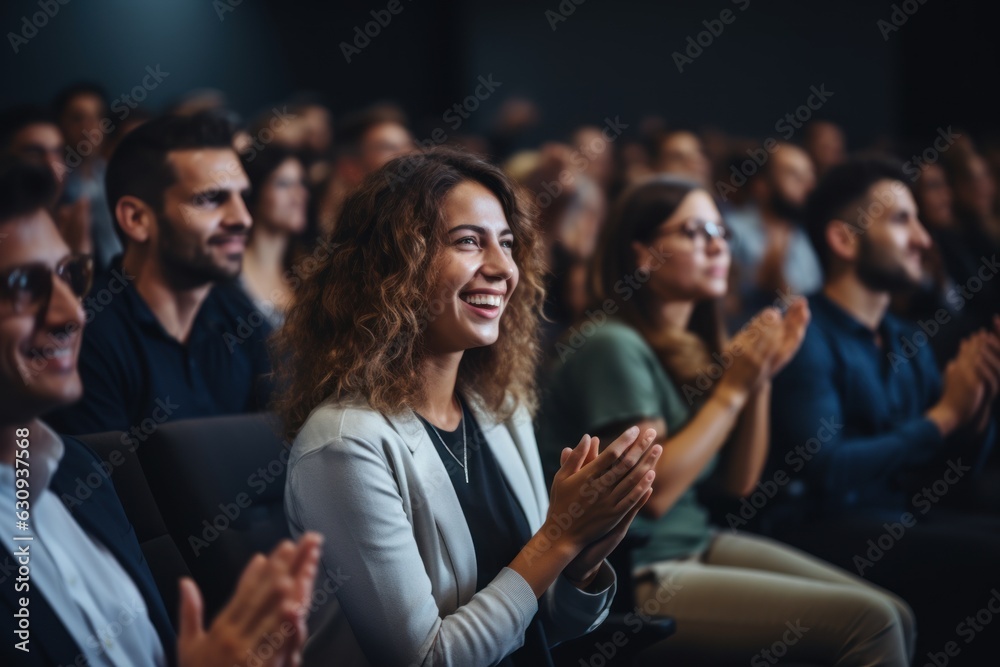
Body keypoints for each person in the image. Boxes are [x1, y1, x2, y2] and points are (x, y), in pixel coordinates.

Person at [275, 148, 662, 666]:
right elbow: (428, 659)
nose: (504, 268)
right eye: (467, 242)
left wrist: (582, 555)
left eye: (506, 243)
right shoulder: (344, 444)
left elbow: (550, 625)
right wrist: (558, 536)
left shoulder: (499, 407)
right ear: (393, 265)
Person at [537, 175, 919, 665]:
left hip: (695, 543)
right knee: (874, 622)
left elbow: (739, 483)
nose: (717, 246)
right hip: (633, 571)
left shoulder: (688, 349)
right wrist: (735, 388)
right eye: (696, 232)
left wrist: (758, 380)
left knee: (897, 613)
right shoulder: (609, 344)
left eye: (722, 233)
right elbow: (654, 495)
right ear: (643, 254)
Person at [0, 159, 322, 667]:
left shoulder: (81, 471)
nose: (71, 313)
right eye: (21, 285)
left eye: (69, 276)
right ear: (135, 219)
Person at [767, 157, 1000, 661]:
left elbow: (944, 471)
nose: (923, 238)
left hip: (898, 518)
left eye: (918, 219)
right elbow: (827, 468)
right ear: (845, 240)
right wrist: (945, 418)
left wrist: (976, 411)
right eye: (901, 220)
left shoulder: (906, 338)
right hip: (817, 529)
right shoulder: (803, 334)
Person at [44, 111, 274, 436]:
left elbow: (287, 442)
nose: (243, 218)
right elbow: (111, 484)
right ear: (136, 219)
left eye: (243, 197)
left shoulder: (237, 310)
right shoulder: (88, 335)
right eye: (210, 198)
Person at [726, 142, 822, 326]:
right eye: (794, 175)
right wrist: (759, 288)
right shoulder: (731, 228)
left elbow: (813, 302)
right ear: (761, 185)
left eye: (810, 175)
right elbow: (723, 306)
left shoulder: (804, 236)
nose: (809, 185)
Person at [236, 144, 309, 328]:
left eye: (301, 183)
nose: (299, 195)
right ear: (254, 192)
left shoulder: (306, 273)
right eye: (283, 184)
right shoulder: (231, 274)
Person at [53, 83, 121, 271]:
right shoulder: (52, 185)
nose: (89, 128)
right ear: (60, 125)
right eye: (78, 118)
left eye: (97, 117)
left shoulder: (116, 176)